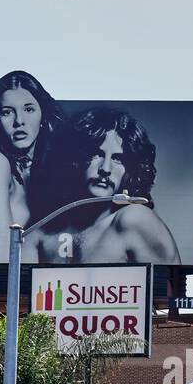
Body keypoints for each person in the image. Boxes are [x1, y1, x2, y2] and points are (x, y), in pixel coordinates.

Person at [27, 107, 181, 266]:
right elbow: (13, 288)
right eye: (96, 154)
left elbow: (168, 288)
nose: (105, 169)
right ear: (74, 158)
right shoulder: (40, 232)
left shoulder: (133, 219)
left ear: (131, 169)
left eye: (118, 159)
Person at [0, 71, 65, 263]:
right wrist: (10, 290)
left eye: (29, 109)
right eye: (7, 112)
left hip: (36, 285)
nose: (19, 121)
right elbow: (2, 242)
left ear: (43, 115)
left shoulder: (51, 167)